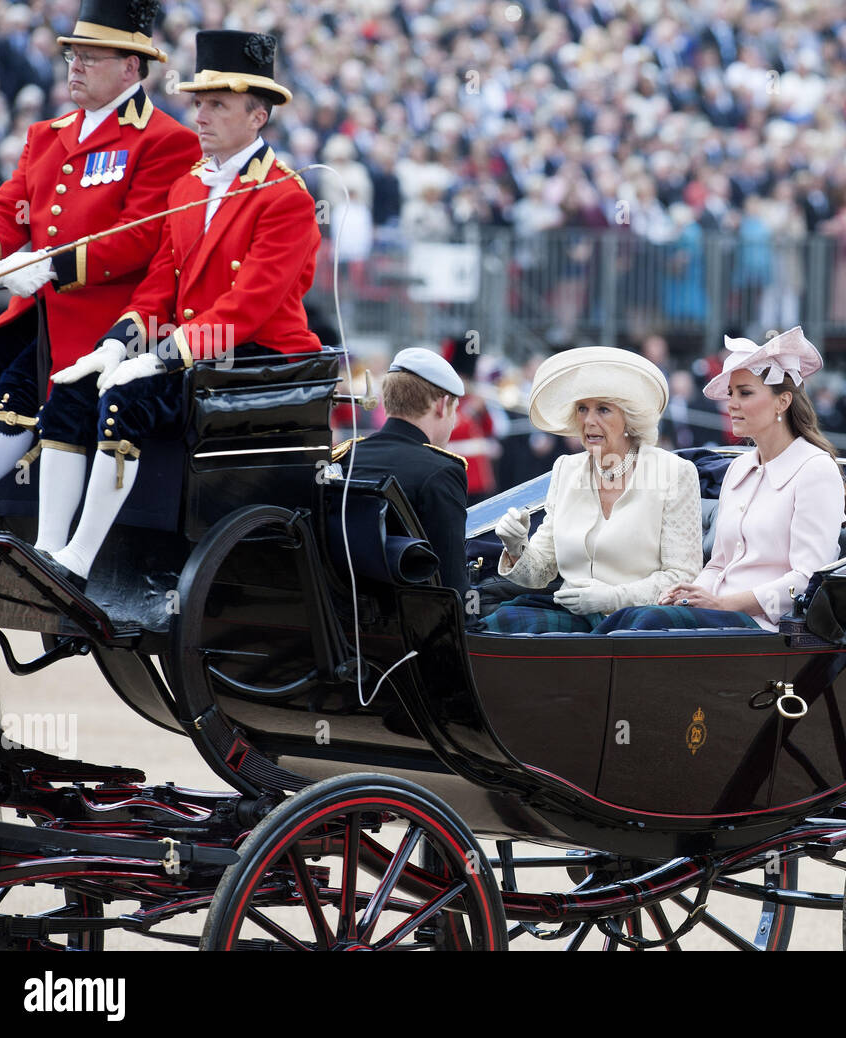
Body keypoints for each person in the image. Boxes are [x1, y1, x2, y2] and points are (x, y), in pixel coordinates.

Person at [41, 29, 319, 586]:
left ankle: (80, 560)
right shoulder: (188, 187)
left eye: (217, 104)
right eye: (198, 102)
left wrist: (164, 356)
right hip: (190, 348)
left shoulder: (286, 196)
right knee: (71, 388)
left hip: (252, 357)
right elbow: (159, 283)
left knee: (125, 398)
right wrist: (117, 343)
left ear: (257, 117)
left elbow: (248, 308)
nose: (201, 115)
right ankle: (47, 551)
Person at [0, 0, 200, 532]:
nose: (73, 65)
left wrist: (51, 266)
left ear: (130, 66)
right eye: (72, 54)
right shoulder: (47, 134)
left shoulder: (167, 140)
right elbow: (11, 206)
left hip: (105, 323)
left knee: (16, 395)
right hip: (39, 312)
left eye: (89, 57)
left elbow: (140, 236)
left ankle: (51, 552)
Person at [599, 327, 846, 633]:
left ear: (783, 402)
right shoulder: (738, 469)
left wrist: (723, 604)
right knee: (626, 619)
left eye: (745, 393)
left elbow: (807, 579)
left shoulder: (815, 470)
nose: (732, 404)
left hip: (760, 629)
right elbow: (718, 565)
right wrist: (687, 596)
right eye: (730, 394)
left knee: (643, 623)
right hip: (716, 620)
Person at [481, 347, 702, 633]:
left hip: (642, 621)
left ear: (629, 417)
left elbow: (681, 577)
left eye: (603, 409)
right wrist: (516, 546)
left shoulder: (673, 472)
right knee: (500, 624)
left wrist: (612, 597)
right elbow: (540, 573)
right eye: (582, 409)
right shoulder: (566, 469)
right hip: (572, 617)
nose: (588, 421)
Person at [336, 347, 469, 596]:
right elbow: (452, 587)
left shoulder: (345, 456)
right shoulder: (441, 471)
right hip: (413, 624)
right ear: (442, 405)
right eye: (455, 409)